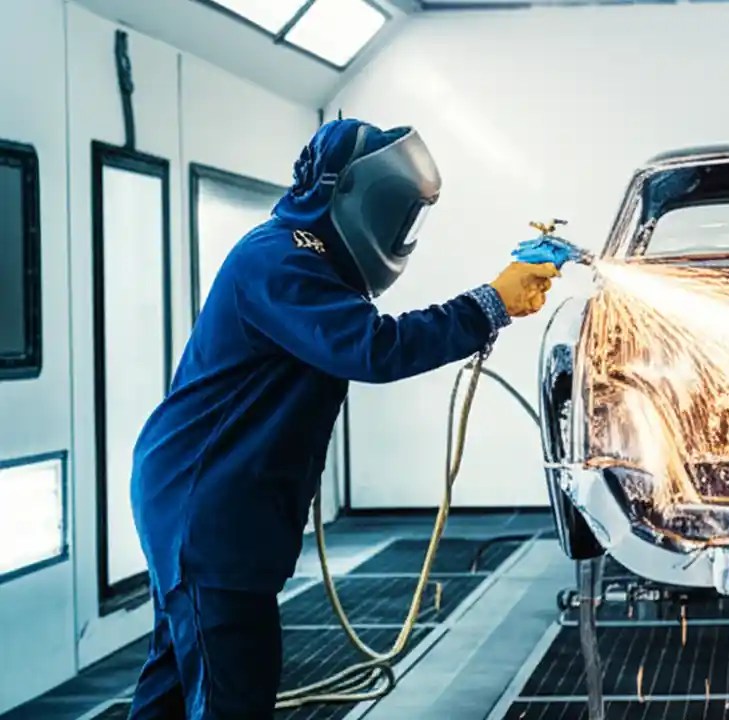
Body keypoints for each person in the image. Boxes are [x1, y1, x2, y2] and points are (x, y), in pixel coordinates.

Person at [126, 119, 559, 719]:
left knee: (176, 678)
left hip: (200, 496)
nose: (401, 231)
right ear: (354, 197)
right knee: (232, 692)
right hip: (207, 506)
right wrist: (489, 305)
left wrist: (491, 306)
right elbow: (374, 349)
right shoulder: (278, 259)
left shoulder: (304, 260)